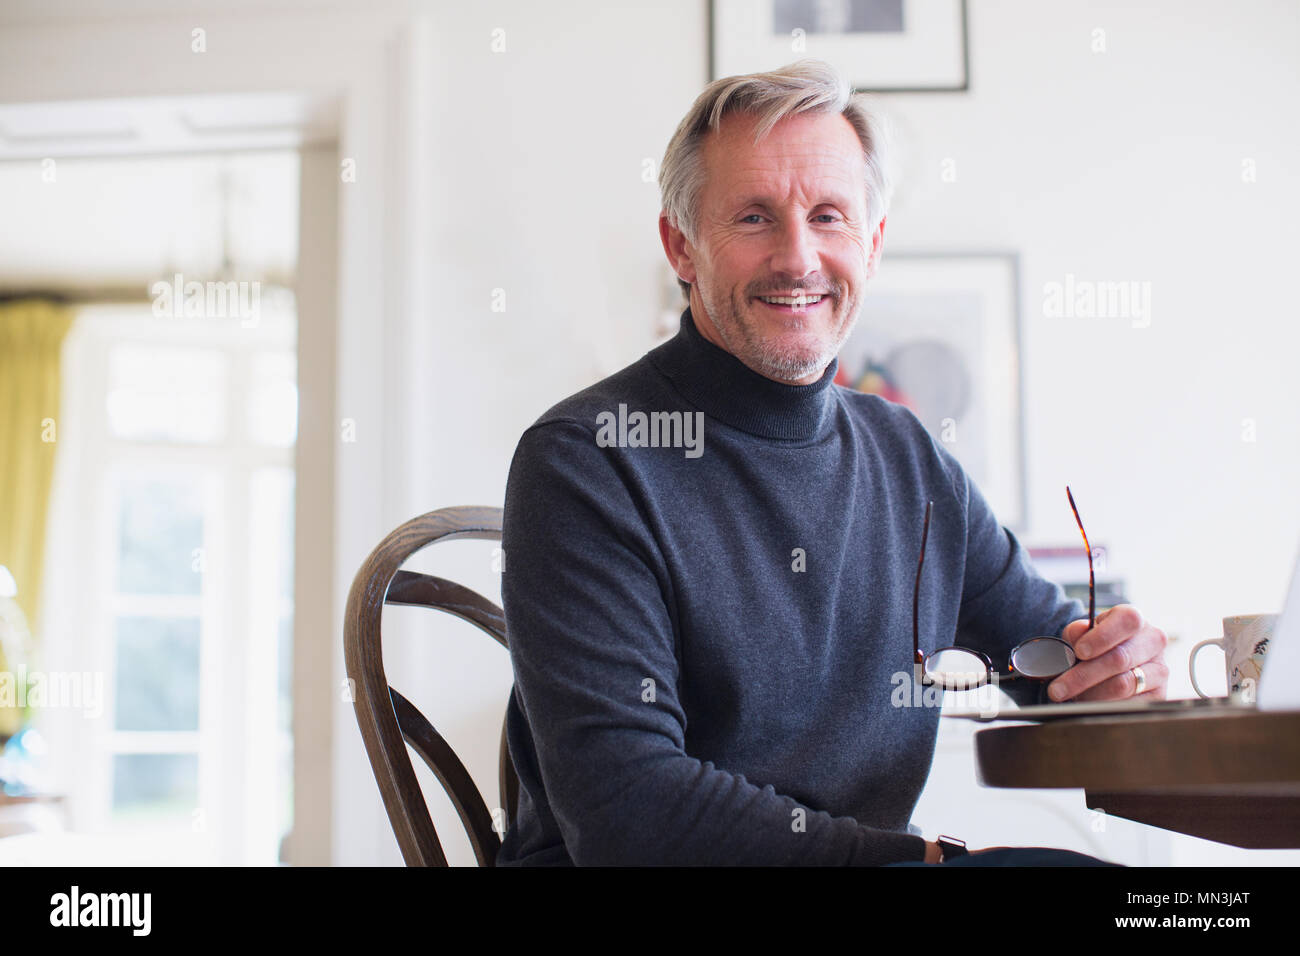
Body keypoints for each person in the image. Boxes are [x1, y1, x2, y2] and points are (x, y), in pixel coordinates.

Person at [496, 59, 1168, 866]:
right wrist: (920, 860)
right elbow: (628, 811)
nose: (798, 258)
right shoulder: (589, 460)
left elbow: (1045, 651)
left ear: (873, 244)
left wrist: (1104, 662)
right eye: (752, 217)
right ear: (681, 245)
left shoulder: (908, 457)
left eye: (828, 216)